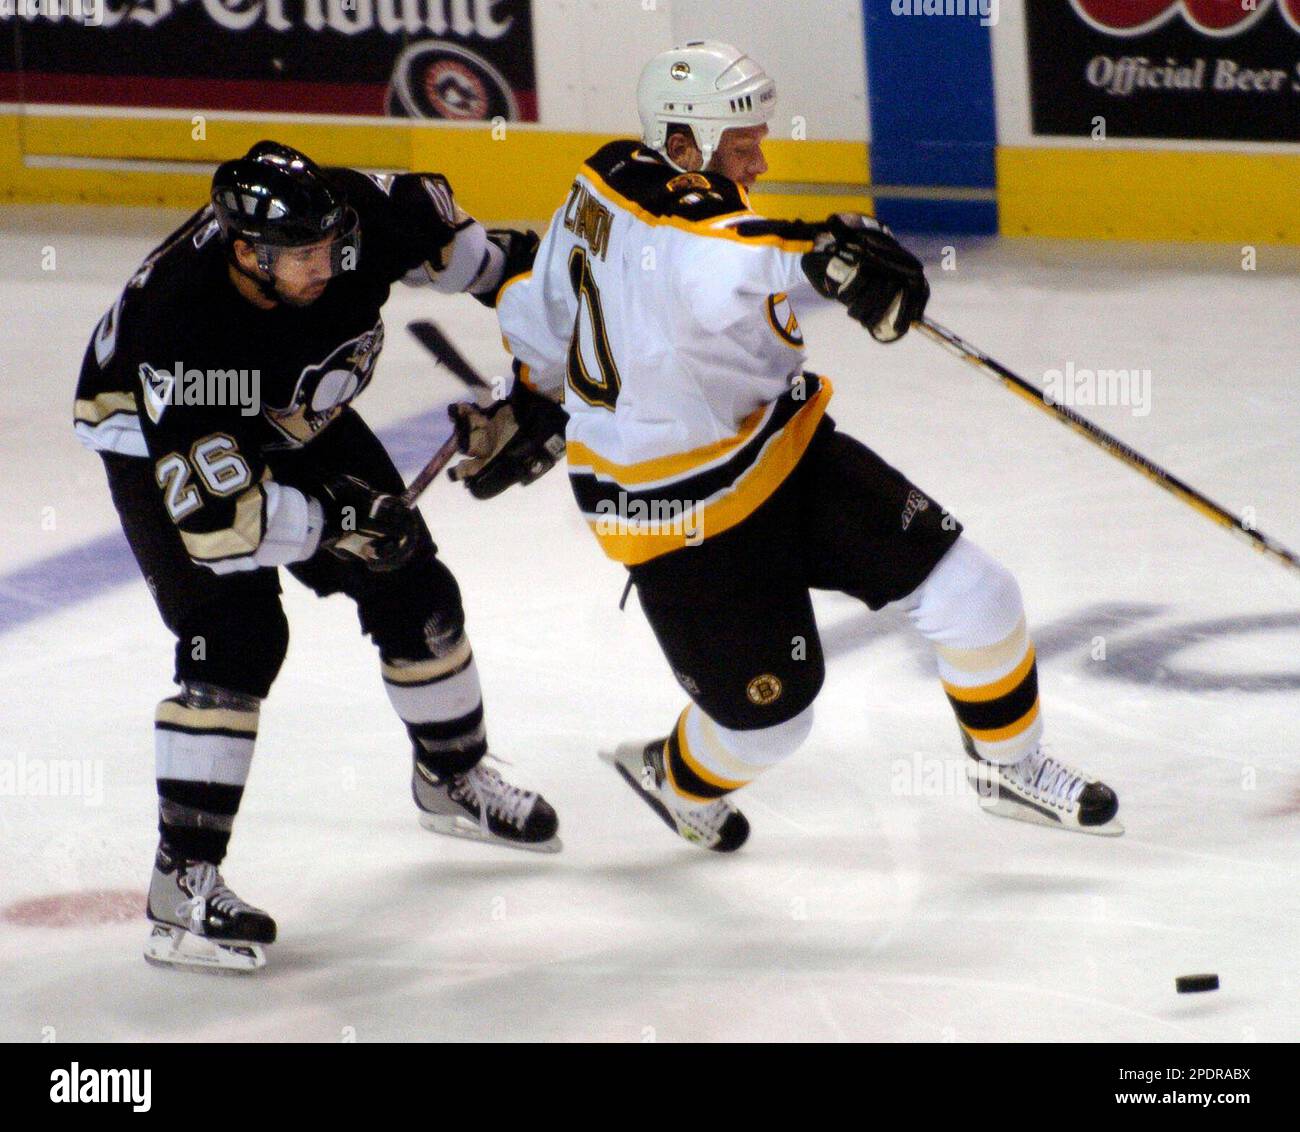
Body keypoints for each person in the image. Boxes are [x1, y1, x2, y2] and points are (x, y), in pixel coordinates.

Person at [454, 42, 1121, 852]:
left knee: (976, 593)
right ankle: (672, 774)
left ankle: (1010, 767)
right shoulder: (705, 241)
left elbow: (540, 312)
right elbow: (739, 256)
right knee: (772, 726)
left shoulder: (598, 185)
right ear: (686, 144)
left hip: (783, 452)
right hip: (675, 519)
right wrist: (828, 257)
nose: (760, 162)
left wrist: (530, 394)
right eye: (744, 148)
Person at [74, 141, 560, 973]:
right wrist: (343, 517)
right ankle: (182, 879)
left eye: (329, 246)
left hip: (296, 411)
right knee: (236, 639)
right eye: (300, 257)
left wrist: (539, 393)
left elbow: (514, 272)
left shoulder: (368, 217)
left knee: (416, 590)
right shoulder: (182, 332)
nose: (325, 268)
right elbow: (222, 523)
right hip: (158, 439)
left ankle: (451, 778)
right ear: (245, 253)